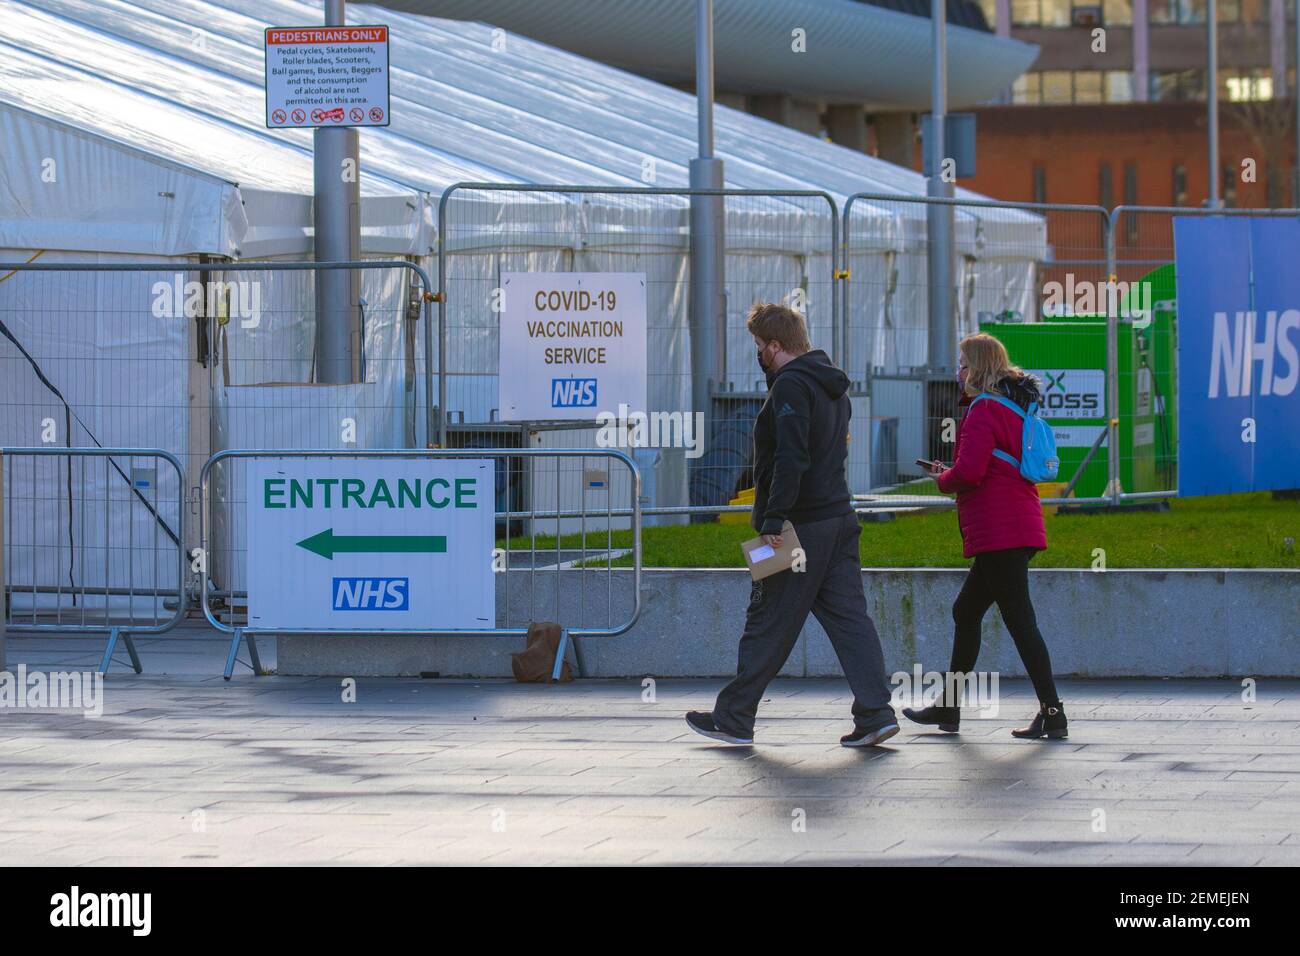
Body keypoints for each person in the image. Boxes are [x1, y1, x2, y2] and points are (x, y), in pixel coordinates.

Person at [686, 303, 899, 747]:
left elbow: (791, 457)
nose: (758, 355)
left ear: (777, 346)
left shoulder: (790, 388)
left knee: (765, 616)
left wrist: (772, 519)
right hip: (838, 519)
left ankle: (734, 717)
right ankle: (876, 713)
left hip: (794, 527)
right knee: (850, 619)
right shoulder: (831, 384)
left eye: (760, 347)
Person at [903, 332, 1067, 740]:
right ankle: (949, 708)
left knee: (1020, 621)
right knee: (967, 611)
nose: (957, 372)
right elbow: (992, 465)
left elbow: (972, 473)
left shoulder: (982, 410)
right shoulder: (1011, 407)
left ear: (975, 367)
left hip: (1001, 529)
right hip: (1016, 526)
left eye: (961, 364)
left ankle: (1053, 712)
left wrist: (944, 479)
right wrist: (956, 471)